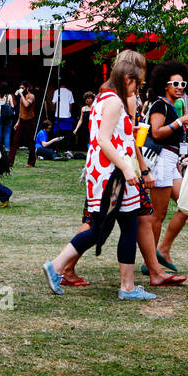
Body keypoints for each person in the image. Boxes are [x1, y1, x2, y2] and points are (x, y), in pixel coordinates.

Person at [43, 50, 156, 300]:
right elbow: (104, 139)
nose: (139, 89)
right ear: (128, 79)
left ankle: (126, 285)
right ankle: (59, 265)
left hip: (104, 171)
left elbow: (108, 134)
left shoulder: (105, 98)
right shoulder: (115, 101)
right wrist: (127, 168)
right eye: (138, 83)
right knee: (103, 227)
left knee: (123, 225)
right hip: (113, 172)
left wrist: (129, 130)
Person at [145, 62, 188, 270]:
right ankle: (151, 261)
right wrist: (179, 121)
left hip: (172, 161)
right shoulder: (160, 105)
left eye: (182, 83)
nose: (180, 86)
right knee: (159, 213)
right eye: (175, 83)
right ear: (165, 84)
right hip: (162, 159)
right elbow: (156, 132)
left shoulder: (172, 106)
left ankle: (163, 249)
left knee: (187, 205)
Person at [7, 80, 37, 170]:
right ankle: (10, 162)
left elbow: (26, 105)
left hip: (30, 121)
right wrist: (18, 122)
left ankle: (31, 162)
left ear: (27, 88)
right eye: (20, 88)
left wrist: (21, 95)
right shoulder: (21, 97)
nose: (21, 89)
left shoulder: (31, 96)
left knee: (30, 142)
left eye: (23, 88)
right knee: (15, 141)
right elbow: (21, 110)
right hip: (22, 120)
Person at [0, 80, 16, 177]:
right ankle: (6, 150)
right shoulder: (9, 96)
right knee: (7, 134)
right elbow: (12, 106)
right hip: (7, 118)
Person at [51, 82, 76, 146]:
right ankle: (67, 147)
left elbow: (53, 103)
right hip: (67, 115)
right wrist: (69, 112)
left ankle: (57, 147)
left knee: (57, 132)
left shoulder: (56, 91)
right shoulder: (69, 92)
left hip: (58, 115)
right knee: (68, 132)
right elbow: (71, 104)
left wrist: (55, 111)